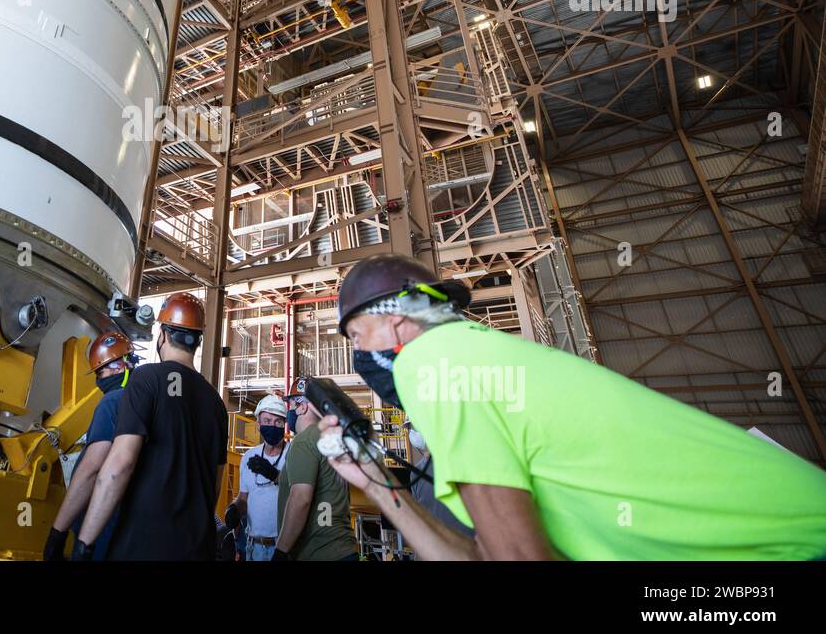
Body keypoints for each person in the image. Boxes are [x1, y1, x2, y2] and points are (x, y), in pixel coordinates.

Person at [320, 253, 826, 560]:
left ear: (395, 322)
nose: (361, 353)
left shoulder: (431, 361)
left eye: (358, 335)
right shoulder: (474, 355)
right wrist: (376, 485)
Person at [73, 292, 228, 560]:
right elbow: (214, 483)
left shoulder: (146, 379)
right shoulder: (216, 403)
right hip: (196, 548)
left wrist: (84, 542)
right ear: (198, 341)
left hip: (144, 545)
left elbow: (120, 465)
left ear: (163, 335)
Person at [43, 328, 138, 560]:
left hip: (105, 530)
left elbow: (92, 470)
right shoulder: (146, 399)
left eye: (102, 371)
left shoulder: (113, 401)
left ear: (121, 365)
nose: (100, 379)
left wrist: (59, 533)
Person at [273, 376, 358, 561]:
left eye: (292, 405)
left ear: (302, 406)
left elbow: (301, 499)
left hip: (319, 552)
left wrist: (281, 551)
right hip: (344, 548)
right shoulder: (335, 441)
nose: (291, 411)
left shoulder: (304, 441)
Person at [228, 394, 289, 560]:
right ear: (258, 425)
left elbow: (300, 494)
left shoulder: (294, 454)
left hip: (284, 547)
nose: (273, 426)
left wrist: (274, 474)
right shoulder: (249, 456)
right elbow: (243, 499)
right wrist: (234, 509)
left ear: (284, 425)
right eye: (267, 421)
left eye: (278, 422)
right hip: (253, 547)